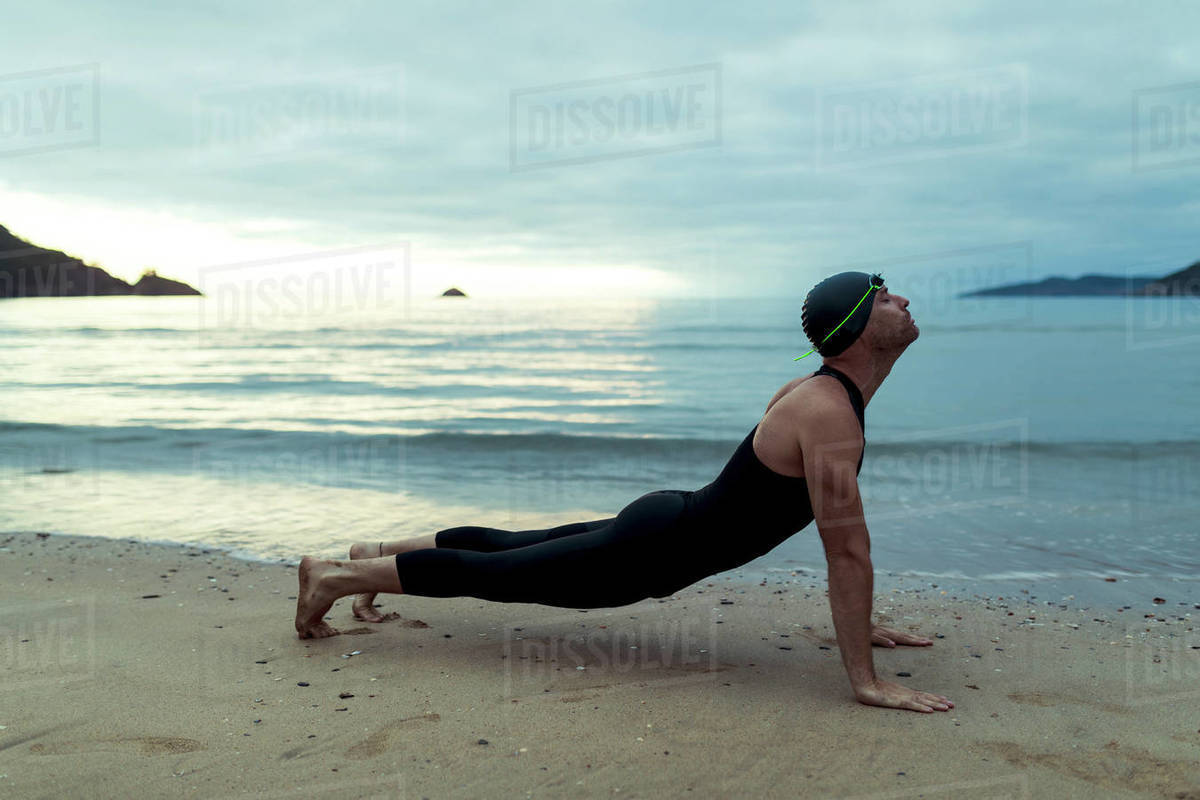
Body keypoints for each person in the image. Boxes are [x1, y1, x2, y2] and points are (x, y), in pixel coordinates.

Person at [294, 271, 955, 714]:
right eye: (889, 298)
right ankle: (337, 577)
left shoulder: (821, 397)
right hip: (653, 550)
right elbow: (847, 553)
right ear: (862, 327)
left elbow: (793, 519)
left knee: (510, 547)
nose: (904, 302)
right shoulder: (828, 410)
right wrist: (864, 680)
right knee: (497, 573)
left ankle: (371, 552)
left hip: (665, 524)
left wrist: (859, 623)